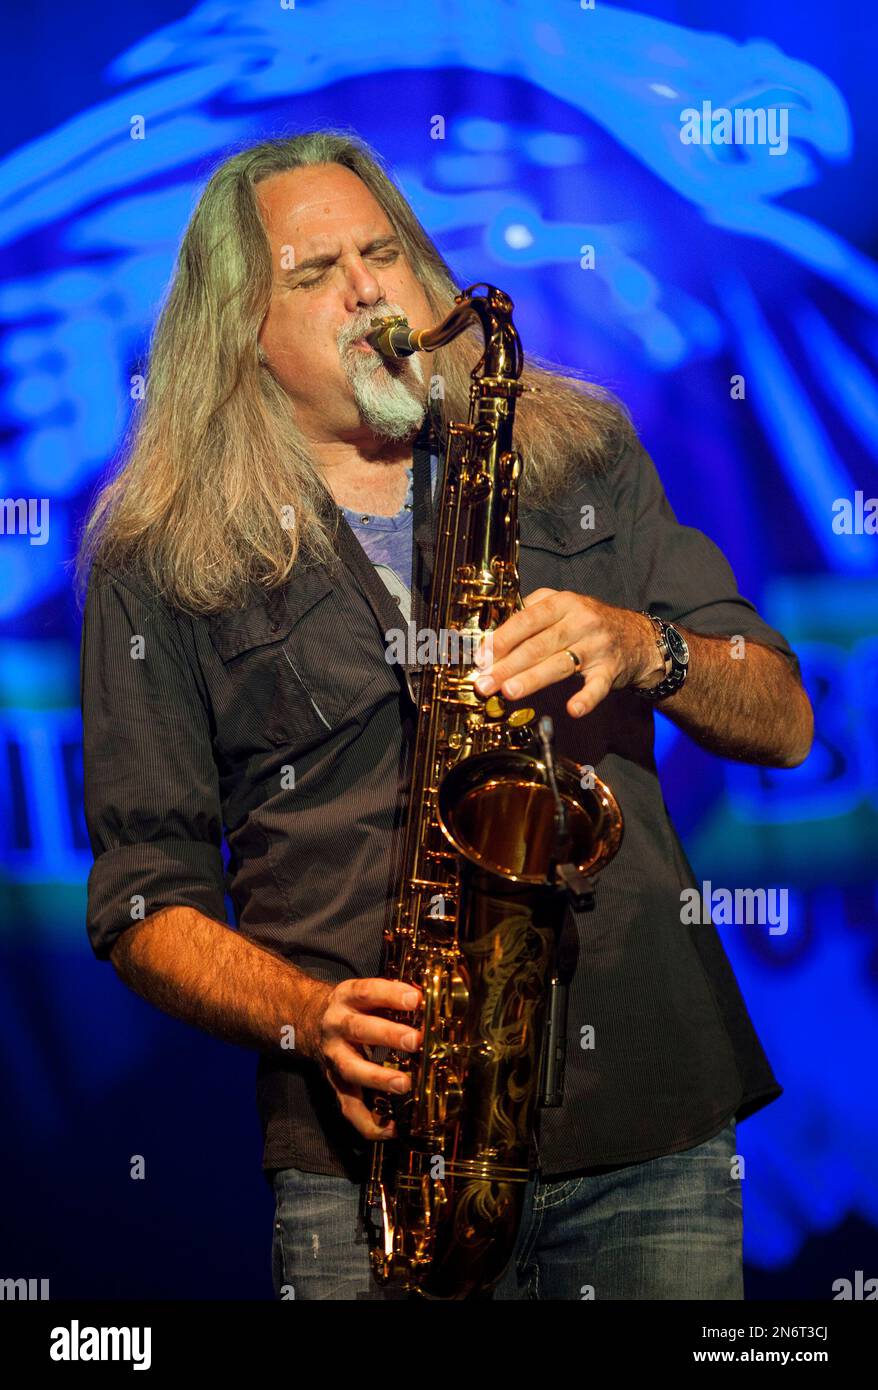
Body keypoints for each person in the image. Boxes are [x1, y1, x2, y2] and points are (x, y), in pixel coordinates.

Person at [77, 131, 813, 1302]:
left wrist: (643, 646)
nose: (365, 288)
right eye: (312, 274)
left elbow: (779, 718)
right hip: (374, 1166)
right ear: (239, 337)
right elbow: (140, 900)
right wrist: (307, 1015)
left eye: (383, 252)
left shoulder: (575, 452)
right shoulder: (156, 560)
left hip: (648, 1121)